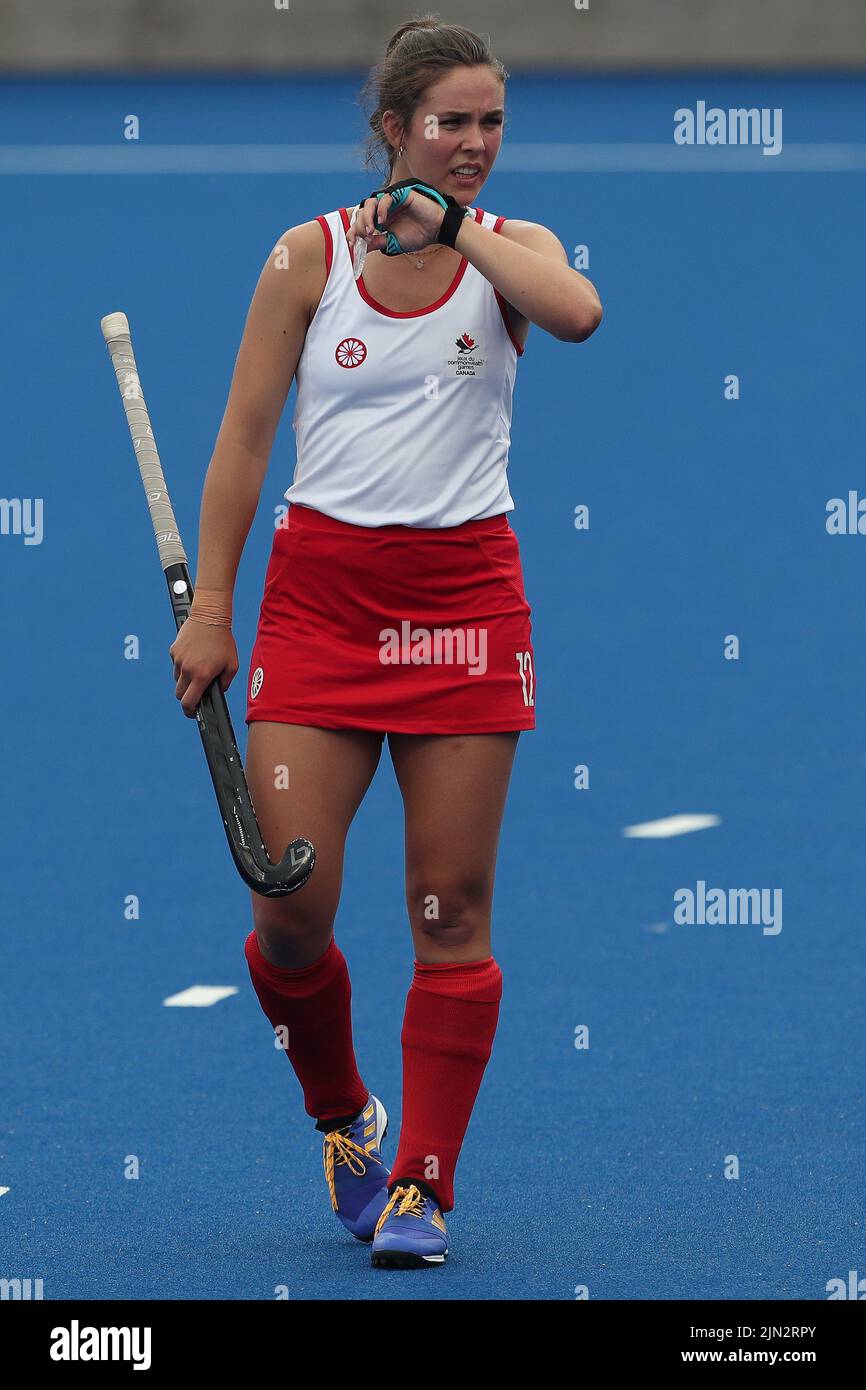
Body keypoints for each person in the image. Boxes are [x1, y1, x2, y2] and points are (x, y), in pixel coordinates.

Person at [169, 15, 602, 1270]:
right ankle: (343, 1115)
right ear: (393, 125)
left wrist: (455, 225)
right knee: (290, 898)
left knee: (448, 905)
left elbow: (577, 316)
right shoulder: (305, 259)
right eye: (447, 122)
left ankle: (420, 1177)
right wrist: (212, 608)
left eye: (489, 124)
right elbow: (245, 443)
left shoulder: (512, 252)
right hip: (321, 607)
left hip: (464, 608)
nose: (472, 144)